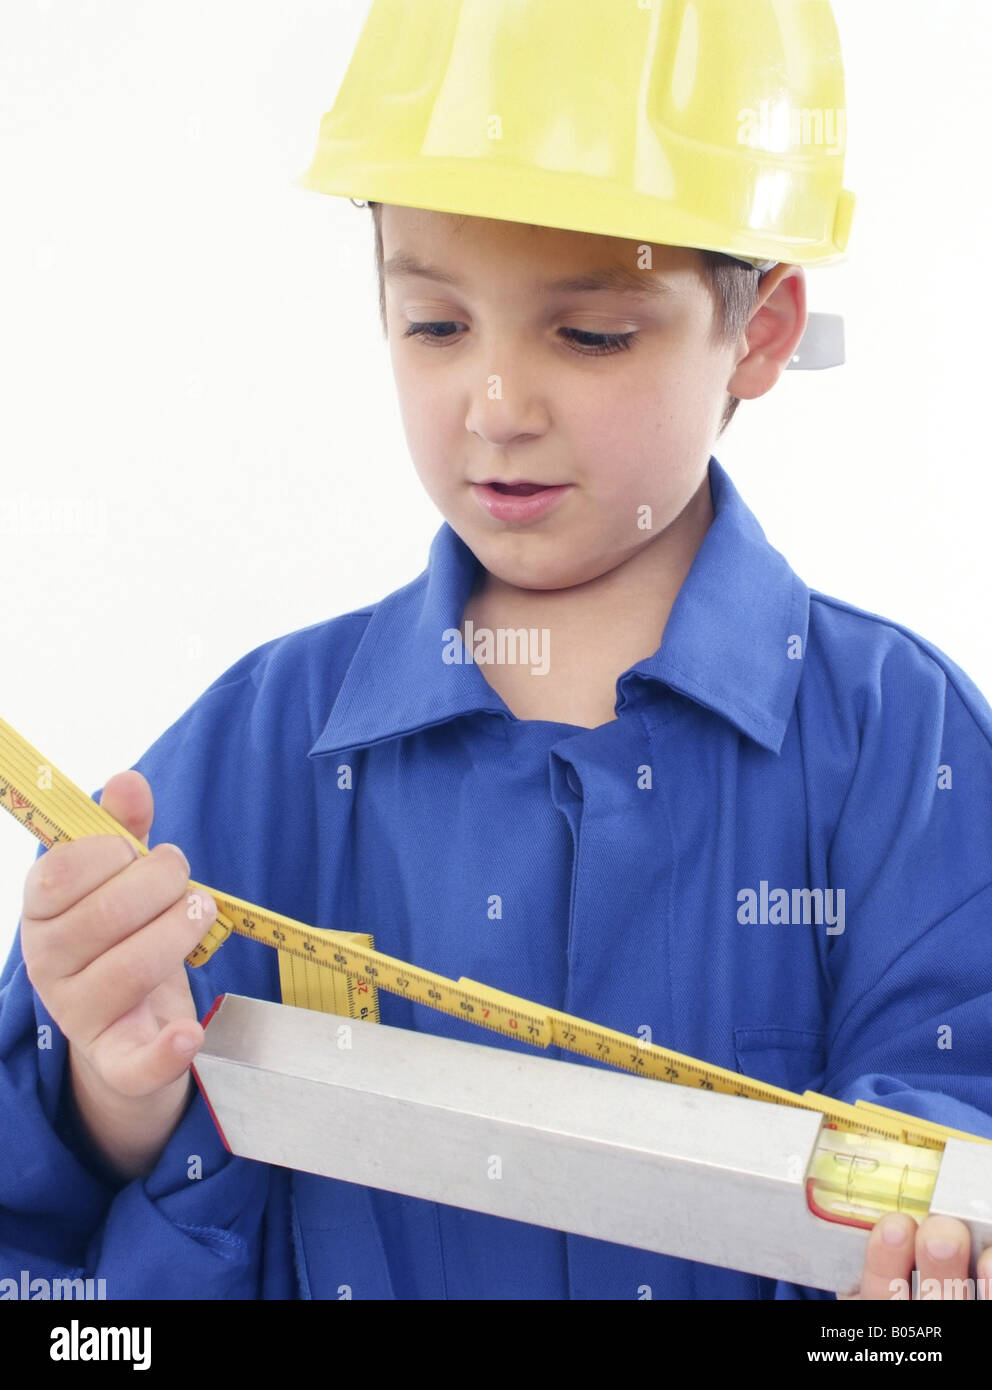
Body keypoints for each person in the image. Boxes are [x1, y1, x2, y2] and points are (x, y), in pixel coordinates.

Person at [3, 0, 992, 1301]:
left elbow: (955, 1126)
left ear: (758, 332)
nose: (496, 406)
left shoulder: (904, 748)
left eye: (589, 332)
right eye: (434, 325)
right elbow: (56, 1252)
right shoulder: (260, 745)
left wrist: (923, 1272)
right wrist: (109, 1090)